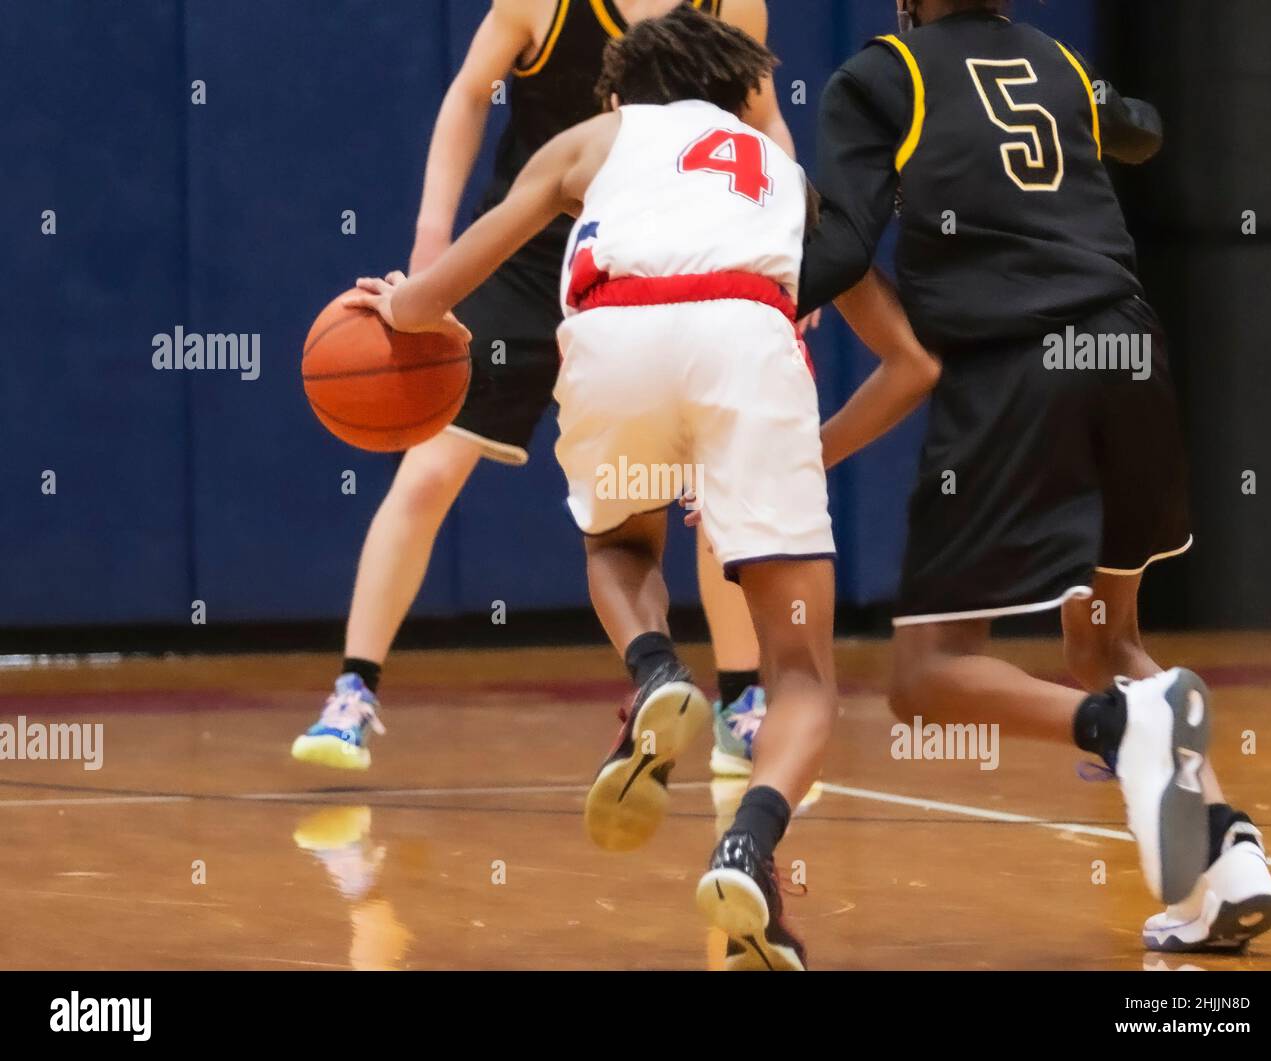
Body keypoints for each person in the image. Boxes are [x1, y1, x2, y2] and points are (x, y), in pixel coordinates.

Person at [343, 4, 931, 971]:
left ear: (619, 90)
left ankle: (656, 669)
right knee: (802, 679)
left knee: (620, 545)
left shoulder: (593, 138)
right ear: (748, 95)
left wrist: (392, 306)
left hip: (616, 328)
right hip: (746, 343)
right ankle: (748, 850)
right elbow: (910, 362)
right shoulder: (784, 178)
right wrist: (797, 458)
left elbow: (445, 284)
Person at [801, 0, 1271, 950]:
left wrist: (767, 282)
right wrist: (1098, 108)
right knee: (1108, 641)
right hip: (1128, 350)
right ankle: (1230, 861)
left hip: (1018, 365)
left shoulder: (879, 76)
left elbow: (847, 248)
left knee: (926, 677)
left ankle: (1115, 731)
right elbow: (1139, 129)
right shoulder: (1058, 61)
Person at [292, 0, 796, 775]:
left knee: (707, 504)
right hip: (536, 257)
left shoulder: (734, 7)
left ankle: (739, 700)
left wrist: (777, 246)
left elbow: (765, 122)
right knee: (429, 469)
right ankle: (353, 690)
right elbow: (467, 92)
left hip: (658, 254)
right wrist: (433, 241)